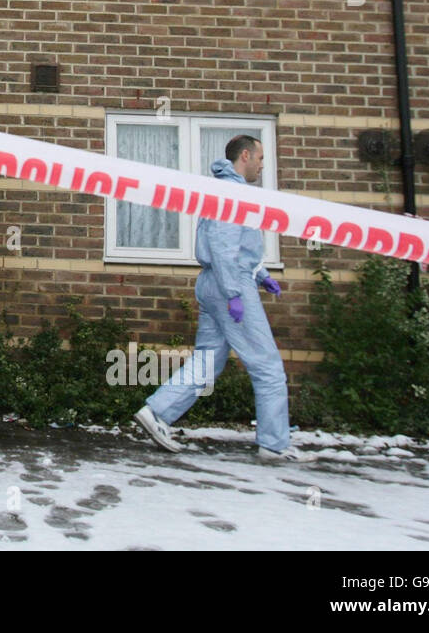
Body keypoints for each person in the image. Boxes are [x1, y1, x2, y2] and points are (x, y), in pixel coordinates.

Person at [132, 134, 316, 463]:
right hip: (229, 285)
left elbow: (233, 244)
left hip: (214, 282)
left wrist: (261, 274)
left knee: (207, 363)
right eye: (260, 158)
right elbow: (222, 245)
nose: (262, 165)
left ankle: (157, 412)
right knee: (268, 367)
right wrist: (236, 292)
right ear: (245, 155)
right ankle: (274, 444)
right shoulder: (235, 194)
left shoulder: (221, 191)